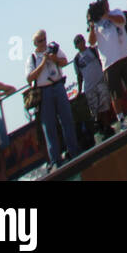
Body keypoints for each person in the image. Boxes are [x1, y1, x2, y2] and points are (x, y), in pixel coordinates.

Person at [25, 30, 79, 169]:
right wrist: (43, 62)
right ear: (35, 43)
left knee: (67, 119)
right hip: (44, 91)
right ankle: (55, 159)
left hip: (58, 85)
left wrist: (54, 58)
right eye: (40, 41)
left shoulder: (53, 48)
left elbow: (64, 61)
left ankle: (74, 152)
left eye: (44, 39)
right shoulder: (32, 58)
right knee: (49, 126)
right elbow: (29, 78)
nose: (43, 43)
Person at [87, 0, 127, 127]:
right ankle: (121, 120)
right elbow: (91, 42)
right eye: (102, 5)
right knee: (115, 93)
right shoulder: (96, 24)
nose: (105, 6)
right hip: (109, 62)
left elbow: (121, 21)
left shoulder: (116, 12)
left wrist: (107, 16)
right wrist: (91, 26)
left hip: (123, 55)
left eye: (106, 3)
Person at [72, 34, 116, 139]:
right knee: (95, 110)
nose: (80, 43)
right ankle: (101, 127)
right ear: (76, 46)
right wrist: (79, 90)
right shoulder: (77, 59)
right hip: (89, 87)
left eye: (81, 40)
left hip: (100, 81)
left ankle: (107, 126)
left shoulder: (93, 50)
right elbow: (79, 76)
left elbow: (101, 62)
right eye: (78, 42)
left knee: (104, 105)